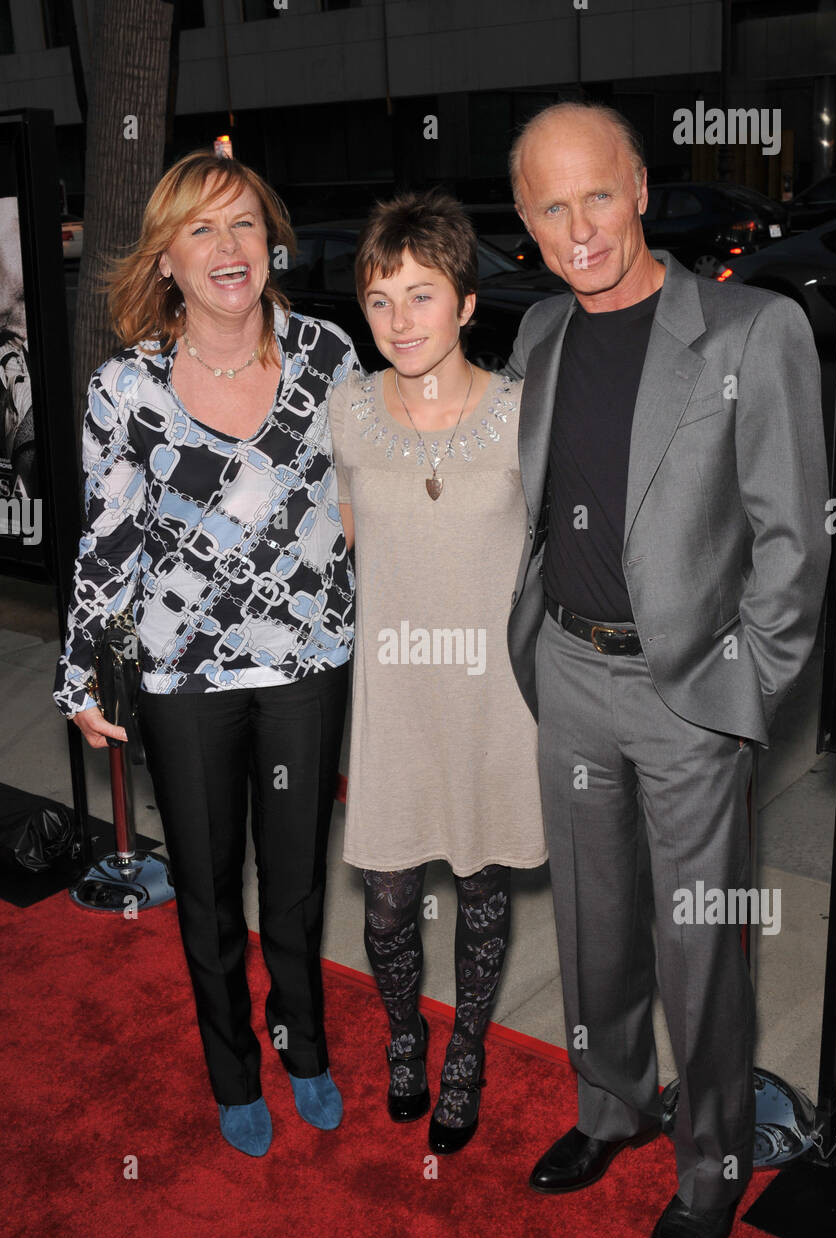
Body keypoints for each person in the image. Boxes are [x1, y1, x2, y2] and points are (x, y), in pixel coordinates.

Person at [505, 102, 830, 1238]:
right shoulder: (540, 331)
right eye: (549, 204)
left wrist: (738, 697)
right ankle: (609, 1107)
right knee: (595, 929)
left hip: (689, 691)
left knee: (700, 948)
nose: (577, 224)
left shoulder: (753, 331)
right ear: (528, 223)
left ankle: (713, 1165)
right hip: (570, 669)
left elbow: (794, 545)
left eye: (597, 193)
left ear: (641, 189)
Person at [53, 151, 358, 1157]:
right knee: (210, 884)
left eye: (243, 226)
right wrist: (86, 667)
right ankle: (234, 1070)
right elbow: (109, 538)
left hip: (309, 662)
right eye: (201, 232)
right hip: (182, 676)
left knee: (300, 881)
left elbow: (369, 497)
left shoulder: (327, 355)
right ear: (167, 261)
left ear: (270, 242)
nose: (229, 250)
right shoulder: (124, 386)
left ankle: (304, 1046)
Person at [328, 190, 546, 1153]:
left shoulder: (520, 414)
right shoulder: (343, 412)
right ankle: (404, 1033)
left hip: (491, 697)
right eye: (379, 300)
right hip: (393, 695)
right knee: (385, 898)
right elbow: (337, 544)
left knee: (483, 887)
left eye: (421, 296)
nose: (399, 321)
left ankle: (466, 1053)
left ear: (465, 301)